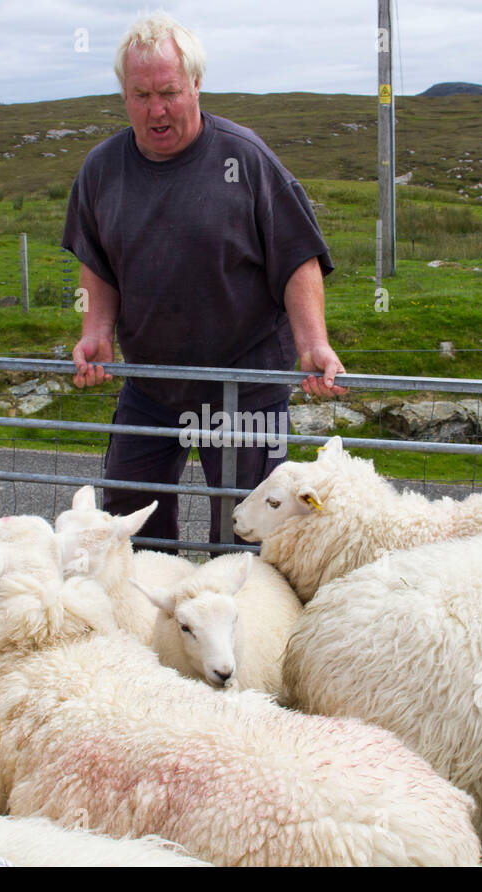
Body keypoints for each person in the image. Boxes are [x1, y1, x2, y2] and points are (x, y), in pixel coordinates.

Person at [62, 12, 346, 544]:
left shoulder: (246, 159)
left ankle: (243, 625)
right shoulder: (102, 169)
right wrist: (96, 332)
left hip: (244, 386)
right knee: (128, 521)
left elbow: (298, 259)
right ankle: (152, 622)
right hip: (150, 383)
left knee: (244, 532)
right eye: (140, 94)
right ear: (123, 92)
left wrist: (313, 344)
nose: (156, 109)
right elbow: (97, 262)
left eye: (168, 91)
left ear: (195, 83)